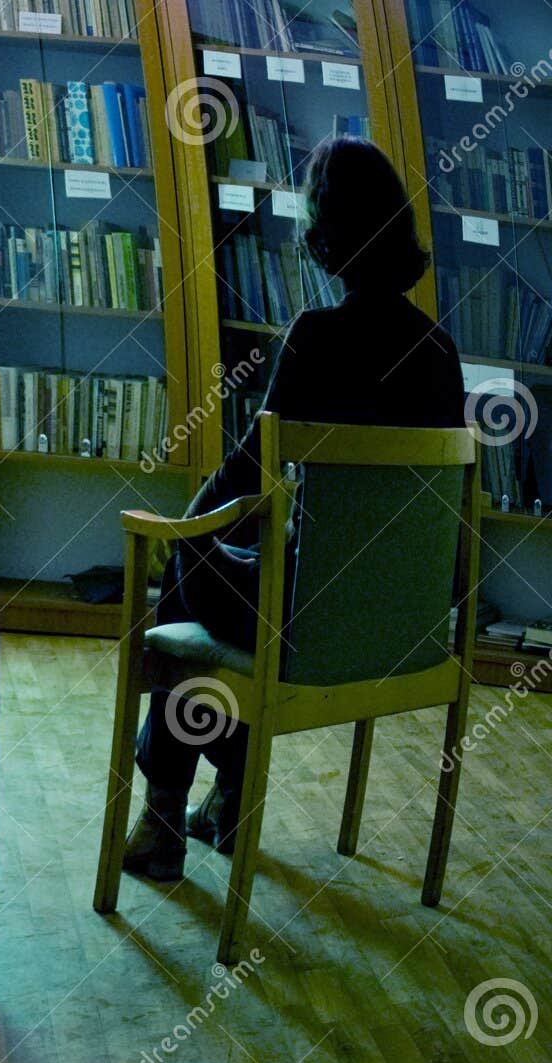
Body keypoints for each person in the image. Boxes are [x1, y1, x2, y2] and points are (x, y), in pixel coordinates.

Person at [122, 136, 466, 880]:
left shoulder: (318, 336)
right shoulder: (440, 351)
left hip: (309, 622)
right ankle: (226, 794)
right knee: (227, 569)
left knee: (192, 565)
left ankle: (165, 815)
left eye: (314, 219)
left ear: (327, 236)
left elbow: (245, 476)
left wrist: (186, 531)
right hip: (406, 629)